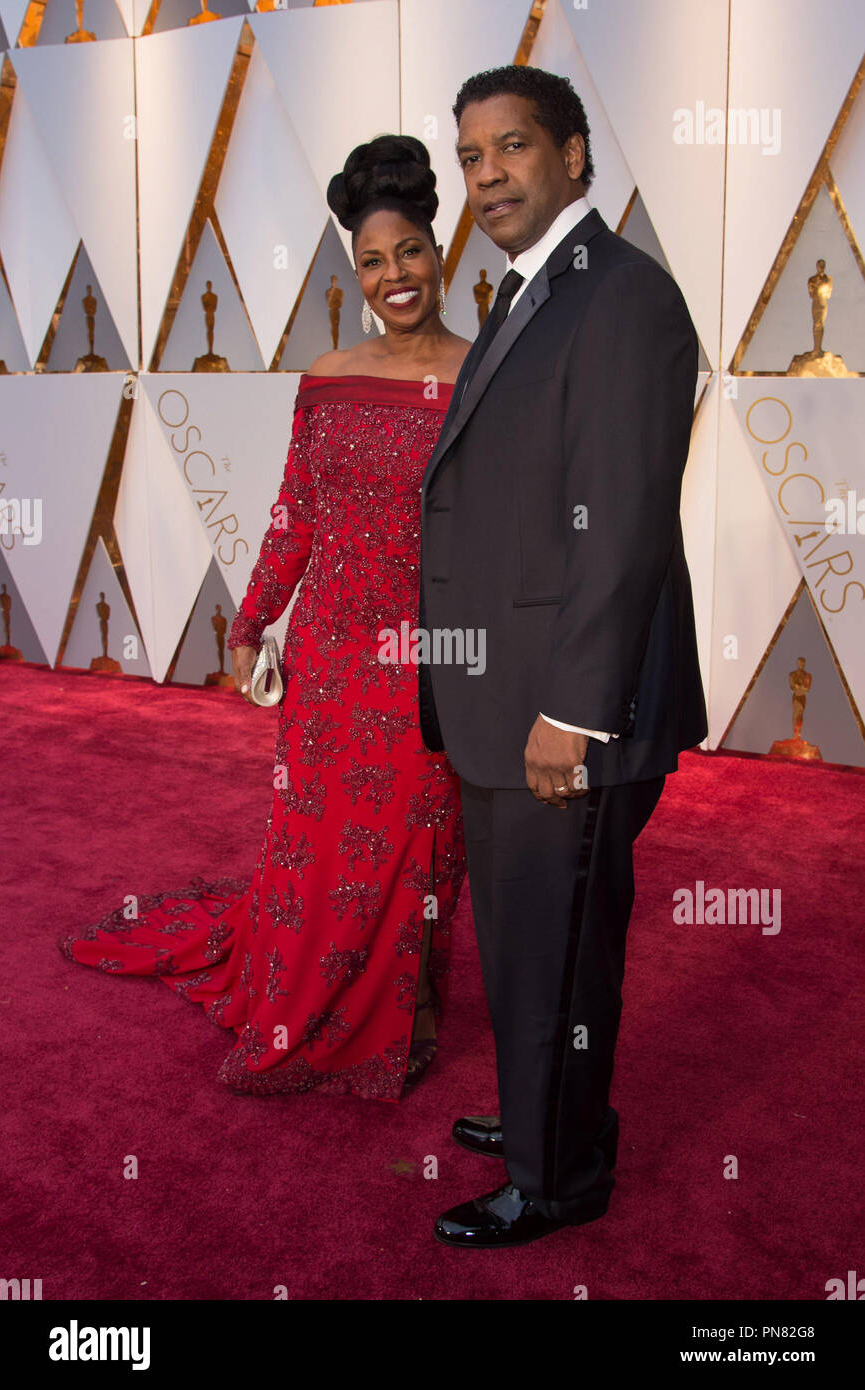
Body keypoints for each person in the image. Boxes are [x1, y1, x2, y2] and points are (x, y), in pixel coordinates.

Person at [59, 134, 470, 1101]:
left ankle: (388, 1019)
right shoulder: (327, 373)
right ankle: (302, 1002)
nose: (393, 275)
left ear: (438, 251)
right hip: (329, 653)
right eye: (371, 261)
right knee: (318, 841)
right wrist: (250, 626)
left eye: (407, 250)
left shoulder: (486, 374)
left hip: (430, 660)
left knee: (416, 849)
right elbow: (299, 512)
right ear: (356, 274)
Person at [418, 66, 708, 1245]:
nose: (485, 176)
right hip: (506, 695)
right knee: (534, 941)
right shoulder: (531, 289)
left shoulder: (621, 297)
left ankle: (556, 1180)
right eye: (469, 159)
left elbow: (625, 517)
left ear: (574, 155)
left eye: (510, 149)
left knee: (554, 944)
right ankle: (551, 1112)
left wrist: (573, 712)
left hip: (564, 710)